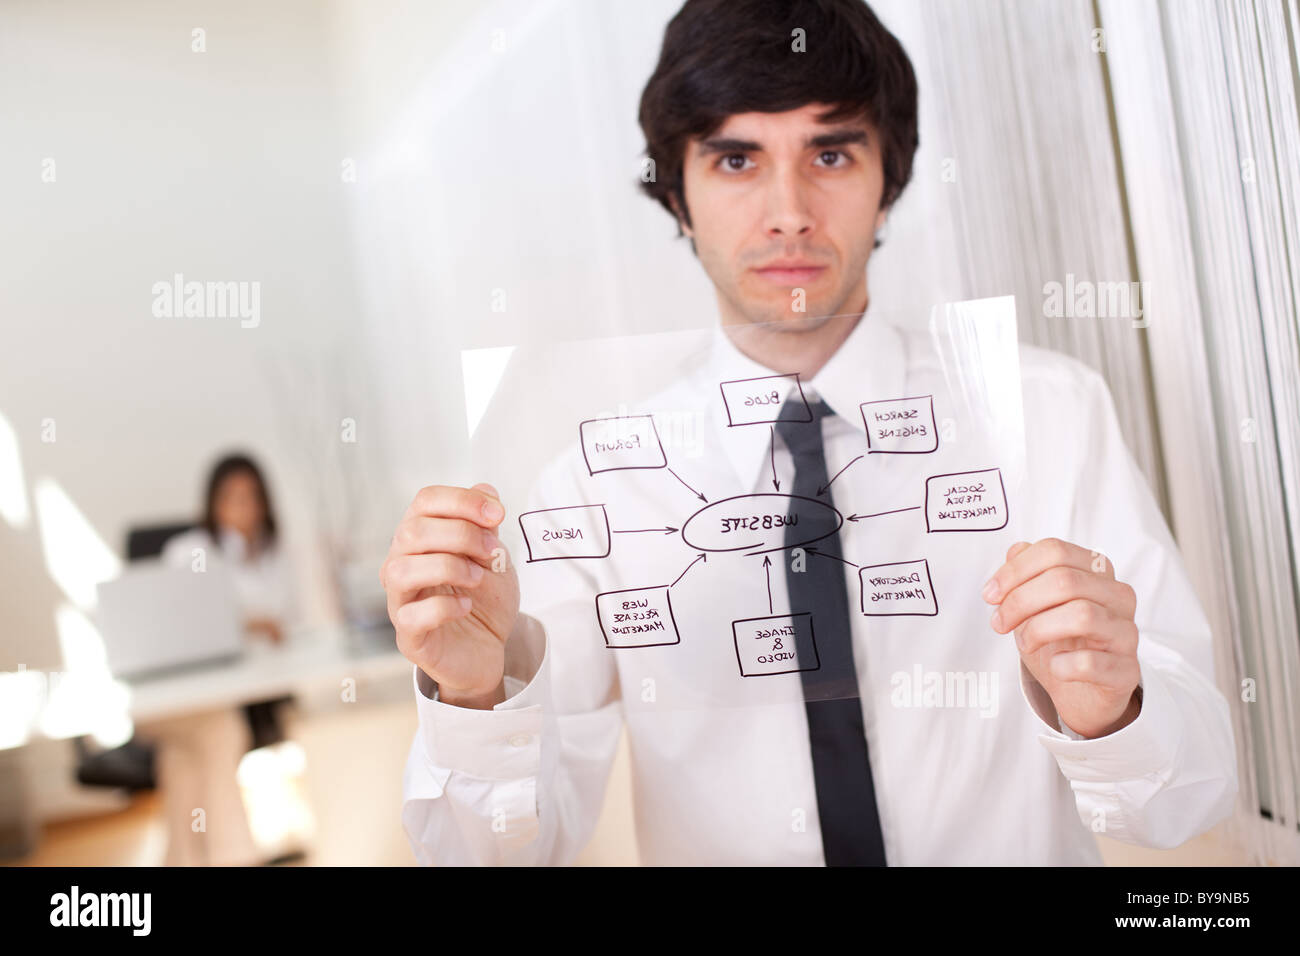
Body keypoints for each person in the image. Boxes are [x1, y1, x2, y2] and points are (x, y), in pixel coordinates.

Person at [385, 0, 1237, 865]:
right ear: (677, 195)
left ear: (889, 181)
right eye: (736, 159)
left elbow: (1186, 801)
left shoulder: (1049, 413)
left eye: (830, 153)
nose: (788, 211)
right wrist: (473, 693)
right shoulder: (597, 485)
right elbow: (499, 853)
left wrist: (1115, 709)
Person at [163, 453, 296, 750]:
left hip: (268, 680)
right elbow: (182, 626)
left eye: (251, 497)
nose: (244, 508)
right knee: (215, 738)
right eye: (233, 498)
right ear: (214, 503)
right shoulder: (189, 552)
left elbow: (289, 621)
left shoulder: (276, 552)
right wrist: (249, 625)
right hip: (210, 689)